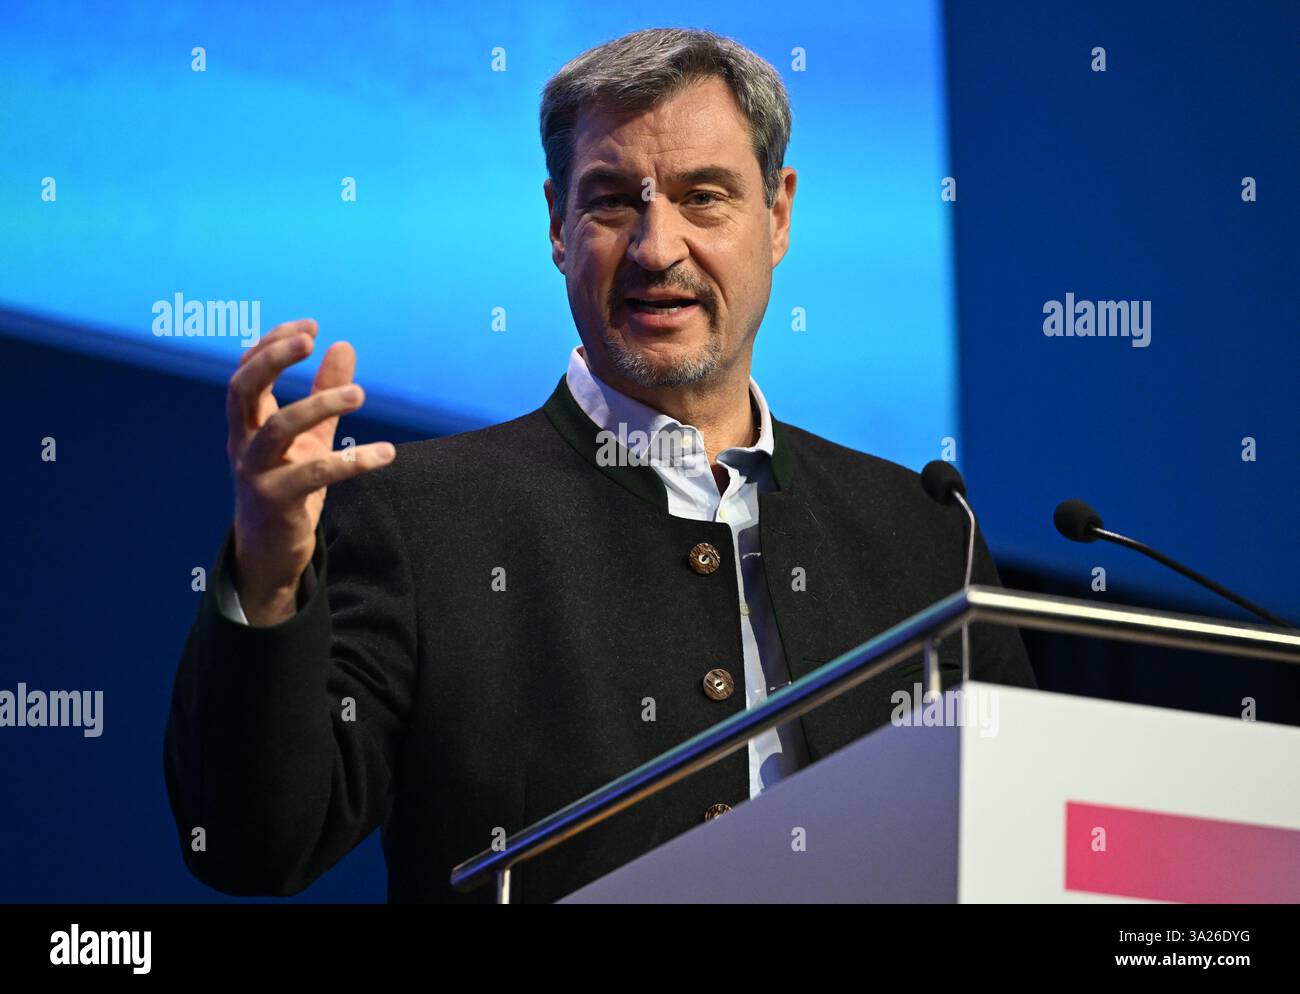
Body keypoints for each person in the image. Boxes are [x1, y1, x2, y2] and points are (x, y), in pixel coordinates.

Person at [164, 26, 1035, 905]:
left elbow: (1026, 845)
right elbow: (250, 843)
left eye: (704, 198)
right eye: (614, 201)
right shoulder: (423, 518)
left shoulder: (922, 532)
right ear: (557, 224)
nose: (658, 249)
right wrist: (269, 583)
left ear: (777, 217)